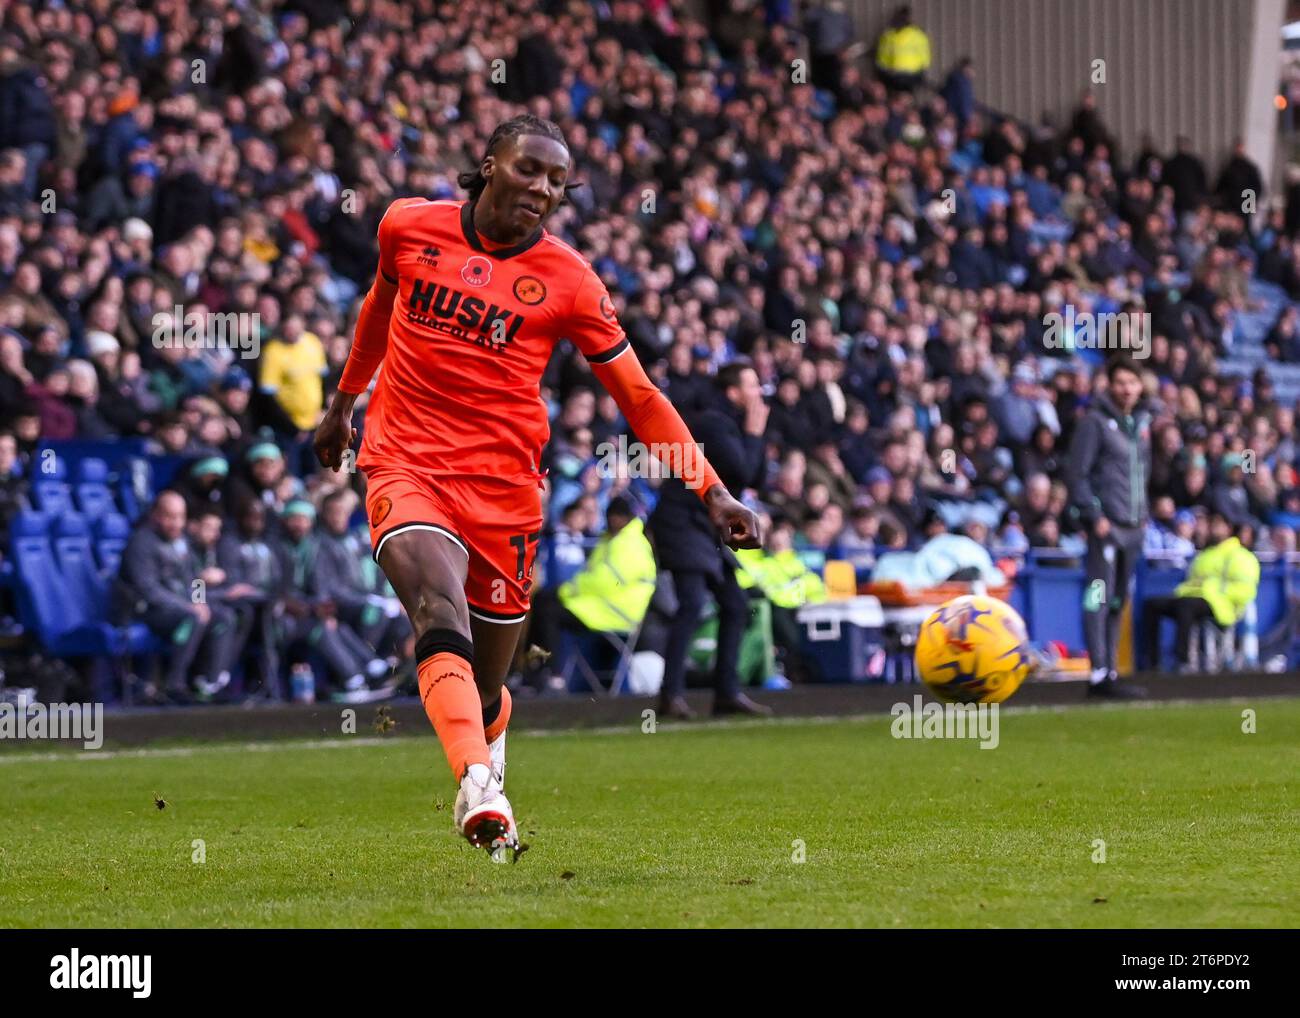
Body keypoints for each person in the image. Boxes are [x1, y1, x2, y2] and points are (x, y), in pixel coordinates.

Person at [313, 115, 760, 859]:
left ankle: (485, 736)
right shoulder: (406, 228)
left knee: (487, 684)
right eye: (529, 170)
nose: (543, 189)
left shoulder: (571, 281)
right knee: (433, 608)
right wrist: (342, 405)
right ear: (489, 164)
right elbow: (377, 314)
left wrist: (709, 489)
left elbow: (640, 396)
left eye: (557, 181)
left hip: (505, 488)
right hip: (405, 461)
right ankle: (479, 788)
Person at [649, 360, 772, 720]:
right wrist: (753, 432)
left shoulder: (730, 424)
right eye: (751, 385)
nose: (758, 393)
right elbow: (742, 471)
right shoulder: (713, 423)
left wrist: (754, 434)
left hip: (703, 528)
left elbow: (755, 479)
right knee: (691, 604)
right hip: (681, 523)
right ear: (733, 391)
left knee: (734, 604)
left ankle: (726, 693)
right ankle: (670, 696)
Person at [1065, 357, 1151, 697]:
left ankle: (1111, 669)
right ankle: (1098, 672)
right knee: (1097, 597)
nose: (1127, 389)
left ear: (1140, 386)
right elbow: (1077, 475)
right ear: (1110, 386)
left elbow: (1143, 472)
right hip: (1107, 529)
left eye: (1132, 382)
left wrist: (1143, 513)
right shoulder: (1095, 423)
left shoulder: (1140, 424)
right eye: (1121, 382)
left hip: (1133, 528)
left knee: (1118, 600)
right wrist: (1094, 514)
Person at [112, 490, 239, 704]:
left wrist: (199, 600)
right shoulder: (141, 543)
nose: (176, 523)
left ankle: (209, 683)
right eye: (170, 516)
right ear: (155, 515)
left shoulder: (181, 542)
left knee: (224, 617)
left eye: (180, 517)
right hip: (145, 611)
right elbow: (148, 590)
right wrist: (189, 606)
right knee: (193, 618)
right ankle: (174, 684)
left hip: (179, 607)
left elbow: (194, 578)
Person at [1141, 513, 1260, 671]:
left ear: (1229, 528)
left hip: (1221, 604)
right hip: (1194, 597)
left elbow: (1246, 590)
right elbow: (1193, 581)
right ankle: (1152, 662)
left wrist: (1220, 594)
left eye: (1218, 524)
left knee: (1186, 607)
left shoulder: (1241, 555)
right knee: (1152, 604)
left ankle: (1182, 661)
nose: (1213, 528)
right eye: (1212, 524)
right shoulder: (1205, 554)